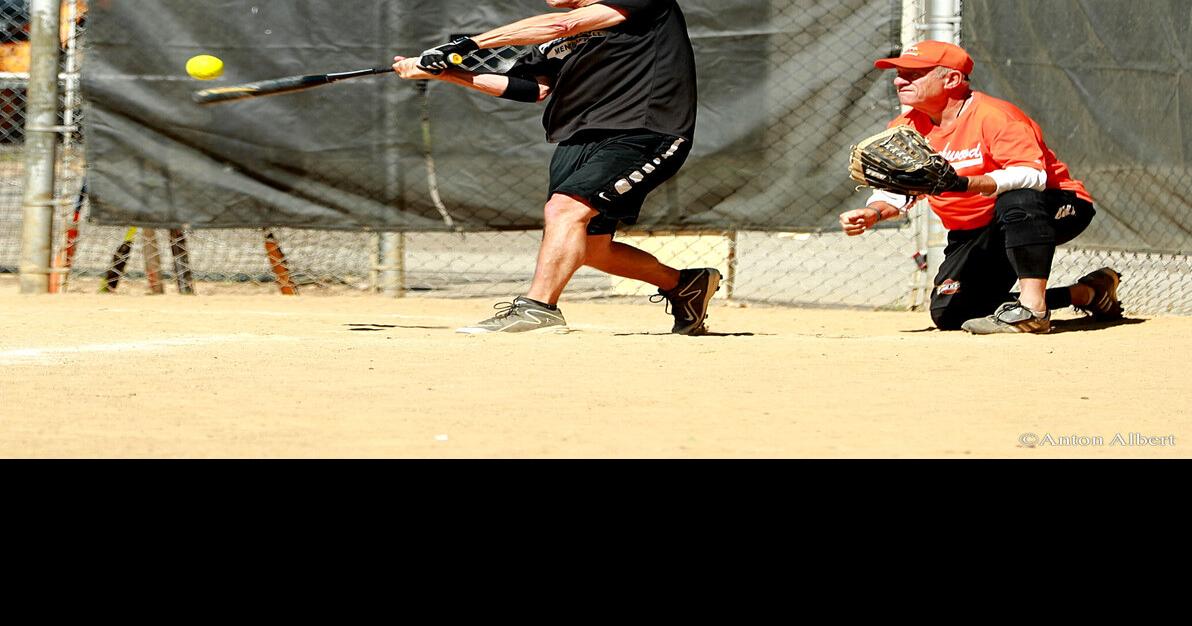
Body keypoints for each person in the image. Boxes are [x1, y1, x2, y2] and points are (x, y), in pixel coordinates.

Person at [392, 0, 720, 335]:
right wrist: (447, 72)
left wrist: (465, 44)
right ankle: (684, 285)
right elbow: (532, 89)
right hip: (576, 140)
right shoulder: (552, 43)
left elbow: (561, 25)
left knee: (565, 210)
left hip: (643, 130)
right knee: (591, 248)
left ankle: (538, 309)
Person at [839, 40, 1123, 334]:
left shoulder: (995, 115)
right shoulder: (906, 126)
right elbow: (899, 187)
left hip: (1056, 205)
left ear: (951, 79)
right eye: (899, 73)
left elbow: (1032, 175)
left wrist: (964, 183)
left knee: (1017, 198)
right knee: (952, 314)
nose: (899, 80)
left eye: (913, 74)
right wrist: (873, 212)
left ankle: (1033, 311)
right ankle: (1088, 293)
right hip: (976, 228)